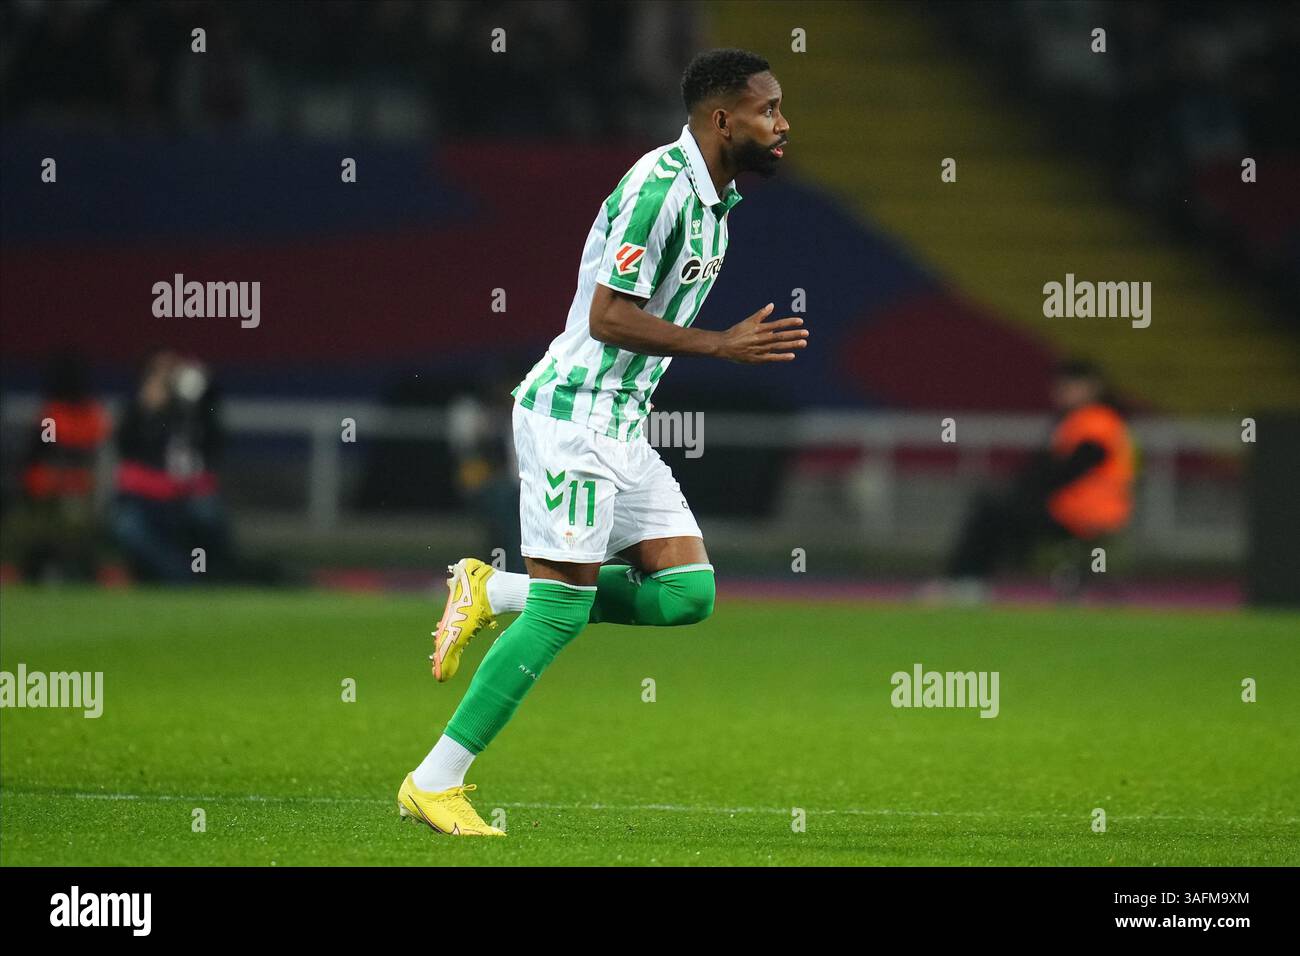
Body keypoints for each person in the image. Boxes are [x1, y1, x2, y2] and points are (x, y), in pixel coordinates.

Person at [398, 49, 804, 836]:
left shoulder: (714, 200)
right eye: (769, 110)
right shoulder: (661, 191)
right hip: (572, 416)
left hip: (620, 424)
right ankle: (434, 780)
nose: (783, 124)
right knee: (561, 614)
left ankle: (492, 591)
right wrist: (718, 345)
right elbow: (607, 318)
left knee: (688, 595)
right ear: (723, 119)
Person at [942, 359, 1136, 594]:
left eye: (1071, 386)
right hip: (1075, 510)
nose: (1063, 392)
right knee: (997, 507)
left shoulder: (1097, 421)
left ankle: (966, 581)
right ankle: (973, 579)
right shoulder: (1078, 420)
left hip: (1084, 513)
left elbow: (1069, 470)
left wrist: (1024, 492)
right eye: (1061, 386)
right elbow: (1046, 468)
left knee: (991, 511)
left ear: (1093, 388)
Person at [110, 350, 232, 583]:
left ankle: (216, 576)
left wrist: (203, 391)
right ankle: (182, 578)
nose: (166, 377)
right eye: (159, 371)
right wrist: (147, 411)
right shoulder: (138, 409)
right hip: (145, 497)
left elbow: (214, 439)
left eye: (171, 371)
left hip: (186, 495)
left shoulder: (192, 408)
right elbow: (124, 447)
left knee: (208, 514)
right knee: (127, 526)